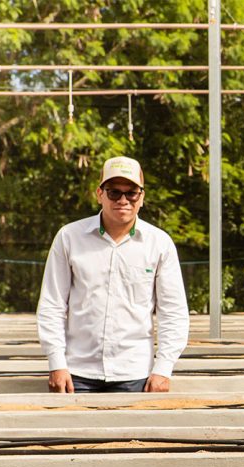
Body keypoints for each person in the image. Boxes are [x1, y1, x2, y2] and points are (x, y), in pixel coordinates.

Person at [37, 156, 190, 393]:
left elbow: (174, 312)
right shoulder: (69, 238)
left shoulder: (159, 243)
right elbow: (52, 304)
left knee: (132, 432)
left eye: (131, 193)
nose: (123, 200)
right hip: (76, 373)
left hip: (136, 374)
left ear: (142, 197)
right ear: (100, 194)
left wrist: (163, 368)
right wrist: (56, 362)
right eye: (114, 192)